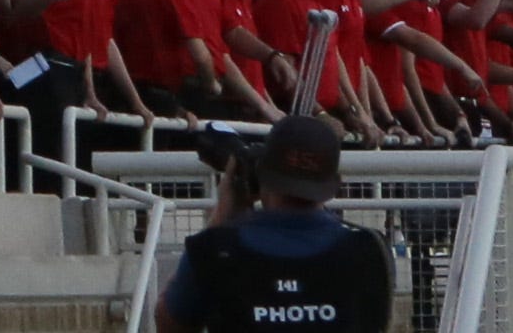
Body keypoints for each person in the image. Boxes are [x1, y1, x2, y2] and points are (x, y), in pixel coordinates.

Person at [159, 115, 396, 333]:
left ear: (261, 173)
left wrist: (224, 216)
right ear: (334, 184)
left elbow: (169, 325)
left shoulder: (214, 250)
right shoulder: (370, 247)